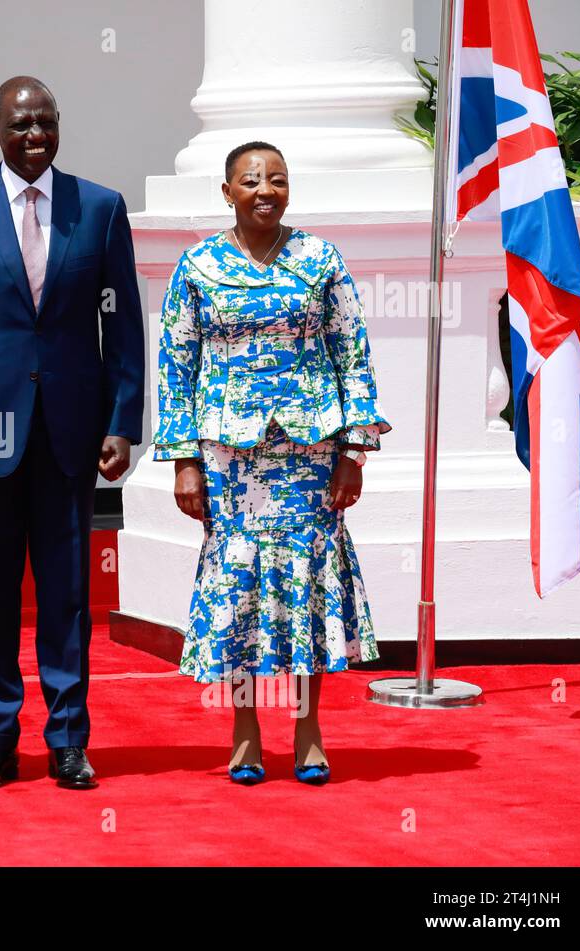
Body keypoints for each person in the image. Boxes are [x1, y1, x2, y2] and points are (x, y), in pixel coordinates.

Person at [0, 76, 145, 791]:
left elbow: (124, 324)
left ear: (59, 125)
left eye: (45, 121)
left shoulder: (99, 208)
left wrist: (122, 420)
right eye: (20, 125)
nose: (34, 135)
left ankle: (68, 738)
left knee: (69, 593)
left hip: (71, 430)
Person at [153, 141, 391, 786]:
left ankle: (309, 731)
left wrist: (354, 453)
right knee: (238, 588)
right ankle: (245, 733)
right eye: (251, 180)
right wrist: (182, 462)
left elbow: (353, 353)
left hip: (310, 451)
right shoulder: (198, 265)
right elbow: (175, 367)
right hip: (230, 457)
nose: (265, 190)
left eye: (277, 180)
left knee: (307, 584)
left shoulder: (319, 259)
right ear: (226, 191)